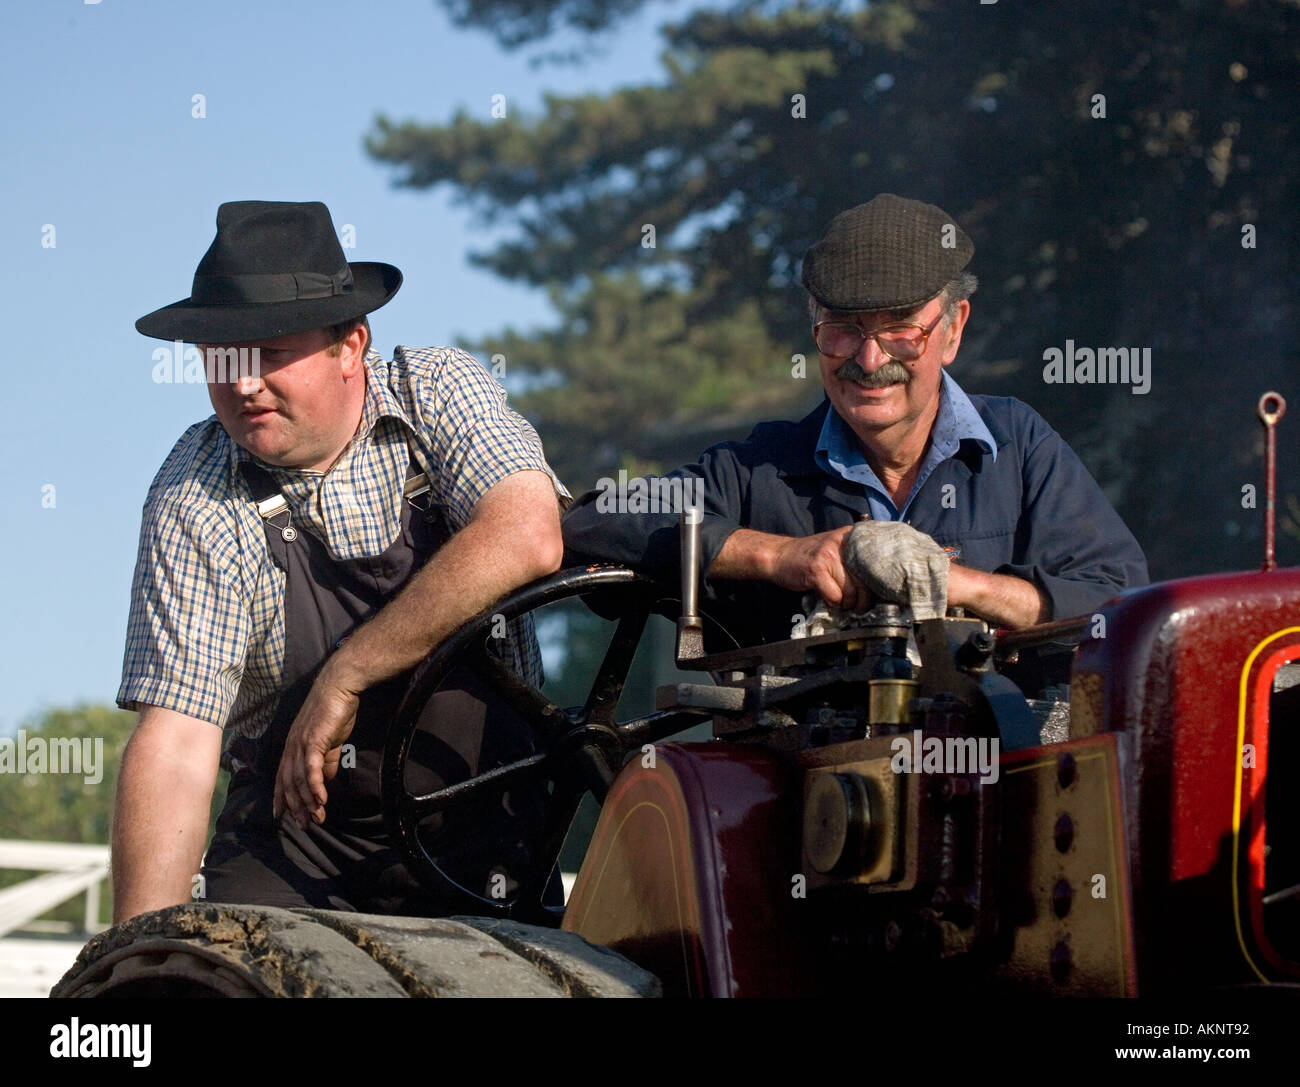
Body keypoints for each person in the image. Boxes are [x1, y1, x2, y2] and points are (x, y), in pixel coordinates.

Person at [113, 201, 568, 923]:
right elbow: (176, 743)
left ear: (350, 345)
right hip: (292, 865)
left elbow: (528, 532)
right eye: (222, 358)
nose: (243, 384)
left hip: (490, 852)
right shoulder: (193, 488)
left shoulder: (436, 392)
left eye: (268, 353)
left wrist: (346, 673)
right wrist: (139, 963)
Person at [561, 194, 1148, 649]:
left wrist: (958, 586)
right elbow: (590, 524)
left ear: (954, 328)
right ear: (813, 324)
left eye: (900, 328)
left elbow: (1121, 603)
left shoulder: (1018, 446)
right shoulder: (760, 471)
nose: (870, 360)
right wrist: (780, 557)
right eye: (843, 328)